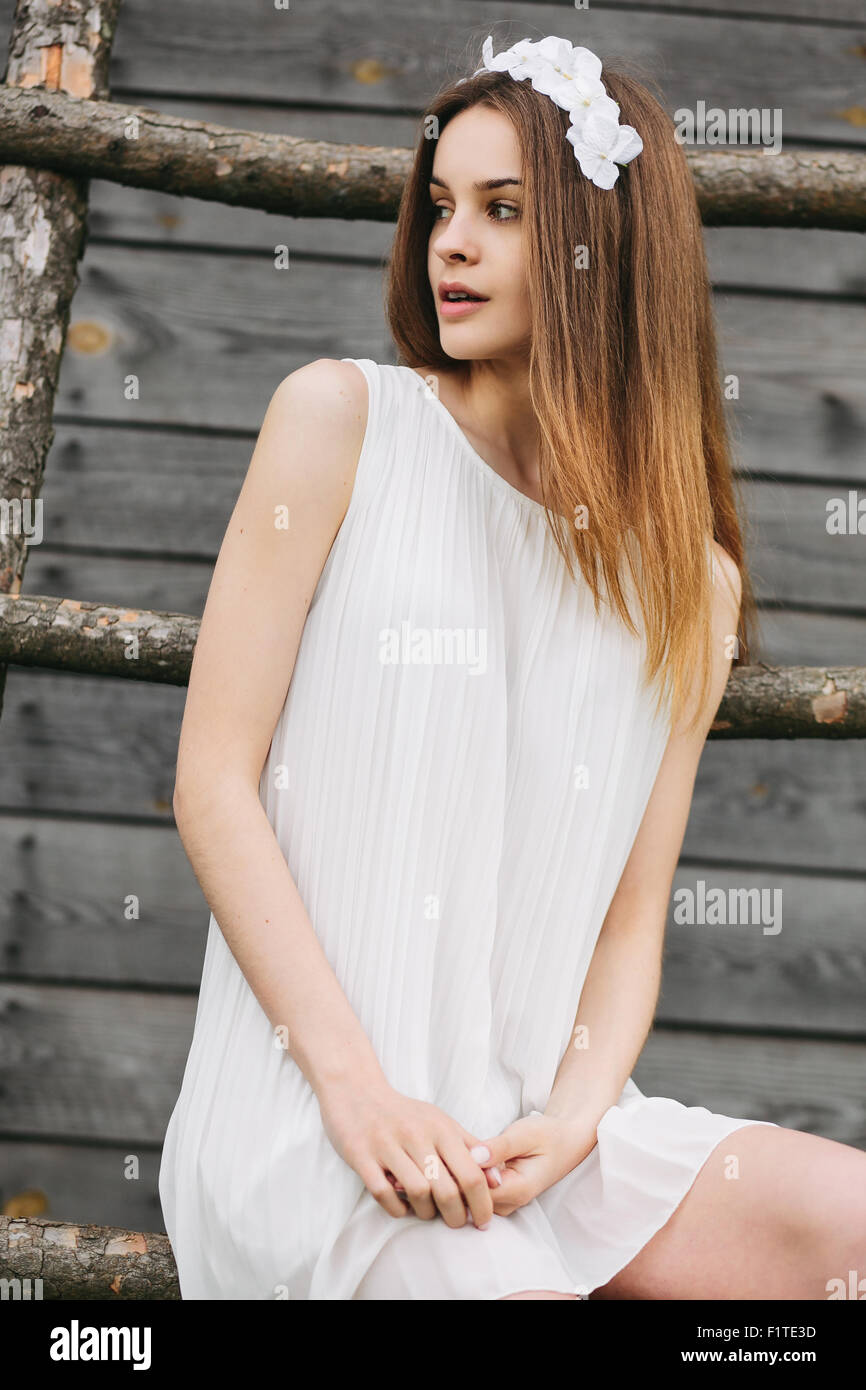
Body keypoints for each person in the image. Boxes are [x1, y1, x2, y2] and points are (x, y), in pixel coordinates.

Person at [158, 34, 866, 1300]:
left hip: (543, 1123)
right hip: (319, 1124)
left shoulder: (684, 579)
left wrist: (581, 1113)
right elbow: (211, 783)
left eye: (501, 212)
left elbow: (631, 913)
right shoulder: (338, 422)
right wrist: (357, 1092)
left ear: (609, 254)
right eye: (439, 207)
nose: (450, 243)